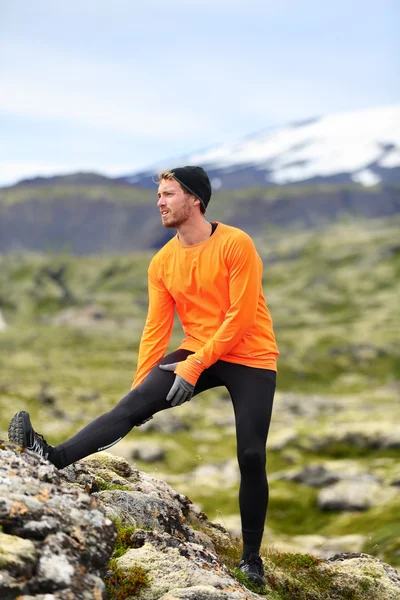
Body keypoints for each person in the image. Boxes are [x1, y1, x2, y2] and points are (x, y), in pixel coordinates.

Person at [8, 165, 279, 586]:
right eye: (159, 195)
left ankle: (251, 560)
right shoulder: (163, 261)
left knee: (252, 456)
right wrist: (142, 390)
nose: (160, 202)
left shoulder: (236, 243)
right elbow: (156, 330)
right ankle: (52, 457)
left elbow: (240, 318)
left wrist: (193, 365)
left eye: (168, 194)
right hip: (197, 349)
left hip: (251, 355)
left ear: (195, 200)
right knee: (131, 406)